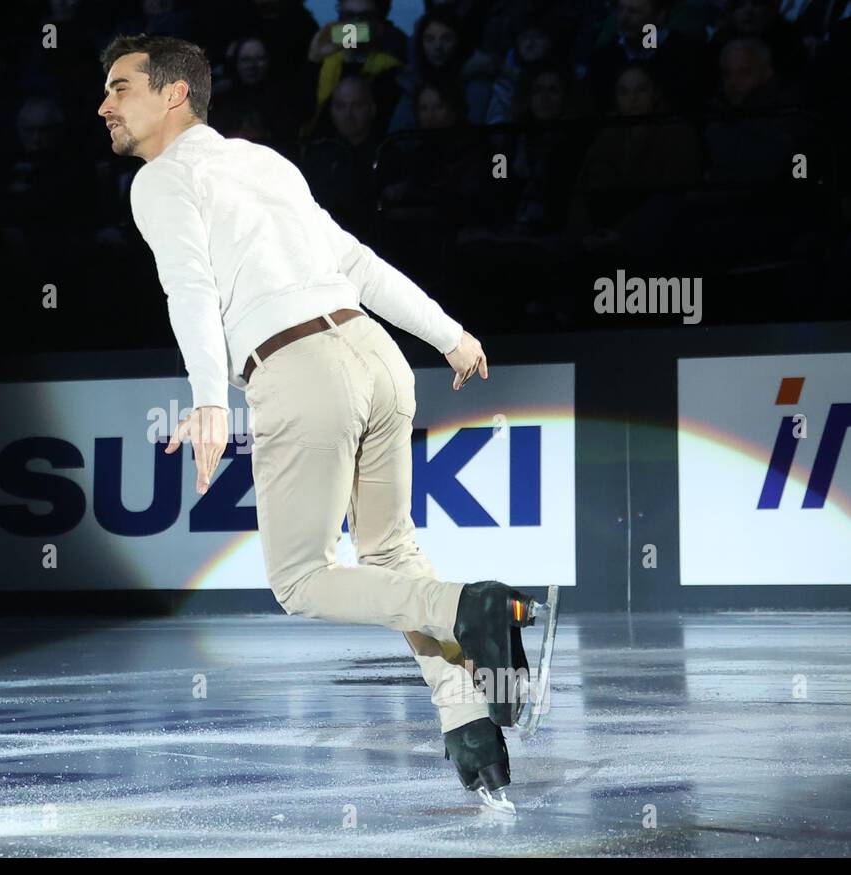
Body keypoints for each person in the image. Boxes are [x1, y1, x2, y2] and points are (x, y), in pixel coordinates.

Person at [97, 33, 551, 803]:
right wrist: (446, 333)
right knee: (391, 553)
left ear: (174, 94)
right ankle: (469, 722)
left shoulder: (160, 181)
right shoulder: (264, 160)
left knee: (301, 580)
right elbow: (357, 261)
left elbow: (191, 290)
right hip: (376, 357)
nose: (104, 105)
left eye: (120, 87)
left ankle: (474, 605)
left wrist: (209, 402)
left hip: (297, 367)